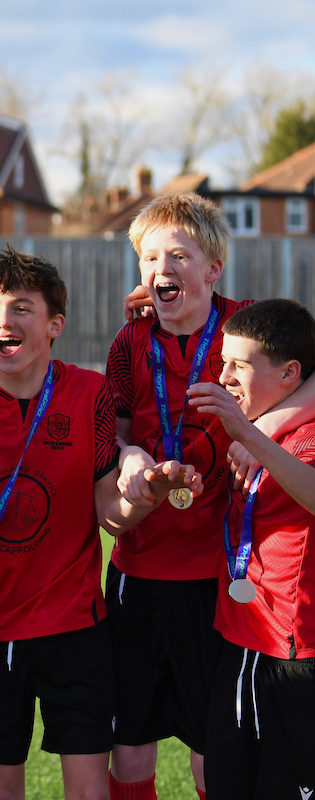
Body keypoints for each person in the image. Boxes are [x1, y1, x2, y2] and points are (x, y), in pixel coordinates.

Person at [0, 246, 199, 800]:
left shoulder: (89, 393)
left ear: (55, 324)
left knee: (90, 789)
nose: (4, 321)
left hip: (76, 628)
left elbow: (108, 516)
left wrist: (150, 496)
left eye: (22, 308)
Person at [104, 194, 315, 800]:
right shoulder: (129, 342)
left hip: (218, 575)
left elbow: (306, 374)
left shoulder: (246, 323)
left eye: (178, 254)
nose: (161, 267)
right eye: (149, 257)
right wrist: (130, 456)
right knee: (129, 740)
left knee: (213, 743)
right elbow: (117, 428)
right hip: (138, 565)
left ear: (213, 267)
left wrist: (264, 430)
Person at [186, 299, 315, 799]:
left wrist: (250, 435)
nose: (225, 377)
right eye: (222, 362)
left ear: (289, 373)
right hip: (240, 641)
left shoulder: (300, 434)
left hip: (295, 655)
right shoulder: (253, 422)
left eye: (239, 365)